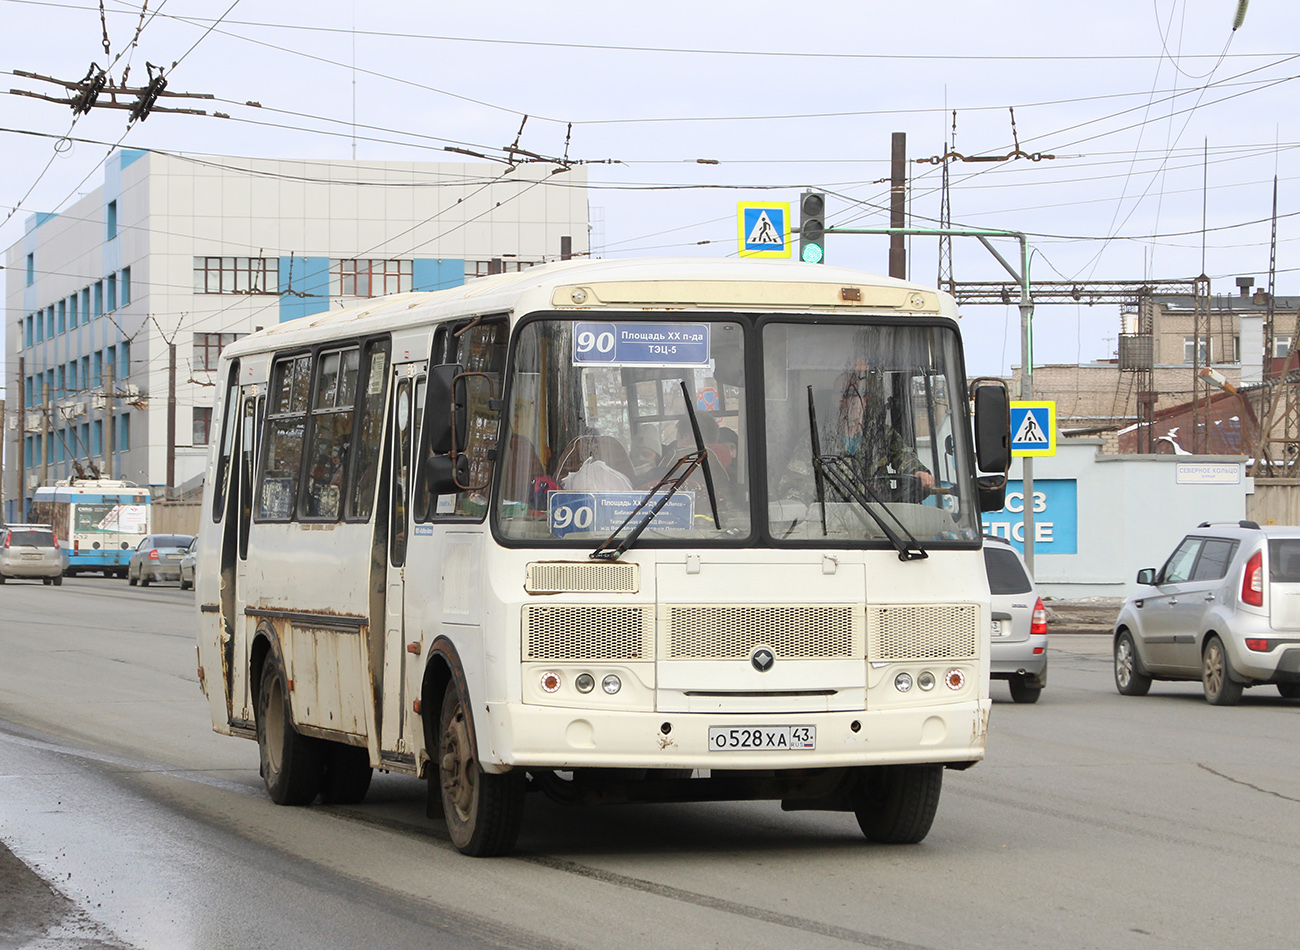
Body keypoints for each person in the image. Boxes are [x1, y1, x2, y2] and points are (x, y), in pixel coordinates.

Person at [835, 359, 934, 494]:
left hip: (881, 513)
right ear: (837, 400)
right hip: (831, 513)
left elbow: (904, 456)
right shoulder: (815, 440)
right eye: (846, 395)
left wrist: (919, 472)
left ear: (865, 400)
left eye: (858, 394)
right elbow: (799, 482)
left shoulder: (882, 434)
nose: (853, 401)